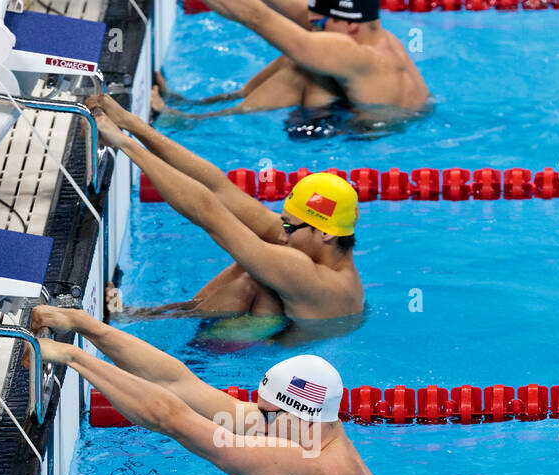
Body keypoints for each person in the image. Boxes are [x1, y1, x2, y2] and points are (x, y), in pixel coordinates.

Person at [26, 306, 408, 475]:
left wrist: (73, 358)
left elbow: (172, 421)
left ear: (297, 414)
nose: (256, 418)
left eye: (266, 413)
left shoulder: (305, 463)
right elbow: (180, 384)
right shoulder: (312, 429)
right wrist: (85, 325)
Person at [87, 95, 364, 344]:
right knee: (259, 261)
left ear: (326, 233)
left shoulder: (313, 278)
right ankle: (138, 315)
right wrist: (131, 124)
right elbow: (219, 188)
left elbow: (209, 214)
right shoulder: (317, 250)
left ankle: (138, 321)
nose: (282, 233)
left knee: (255, 279)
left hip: (221, 359)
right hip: (256, 327)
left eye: (290, 227)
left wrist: (123, 143)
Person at [154, 0, 428, 133]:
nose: (316, 28)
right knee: (305, 54)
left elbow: (256, 18)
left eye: (321, 24)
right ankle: (197, 105)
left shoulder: (353, 54)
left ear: (351, 25)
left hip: (359, 136)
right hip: (396, 120)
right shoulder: (375, 37)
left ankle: (189, 121)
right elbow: (297, 12)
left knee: (303, 67)